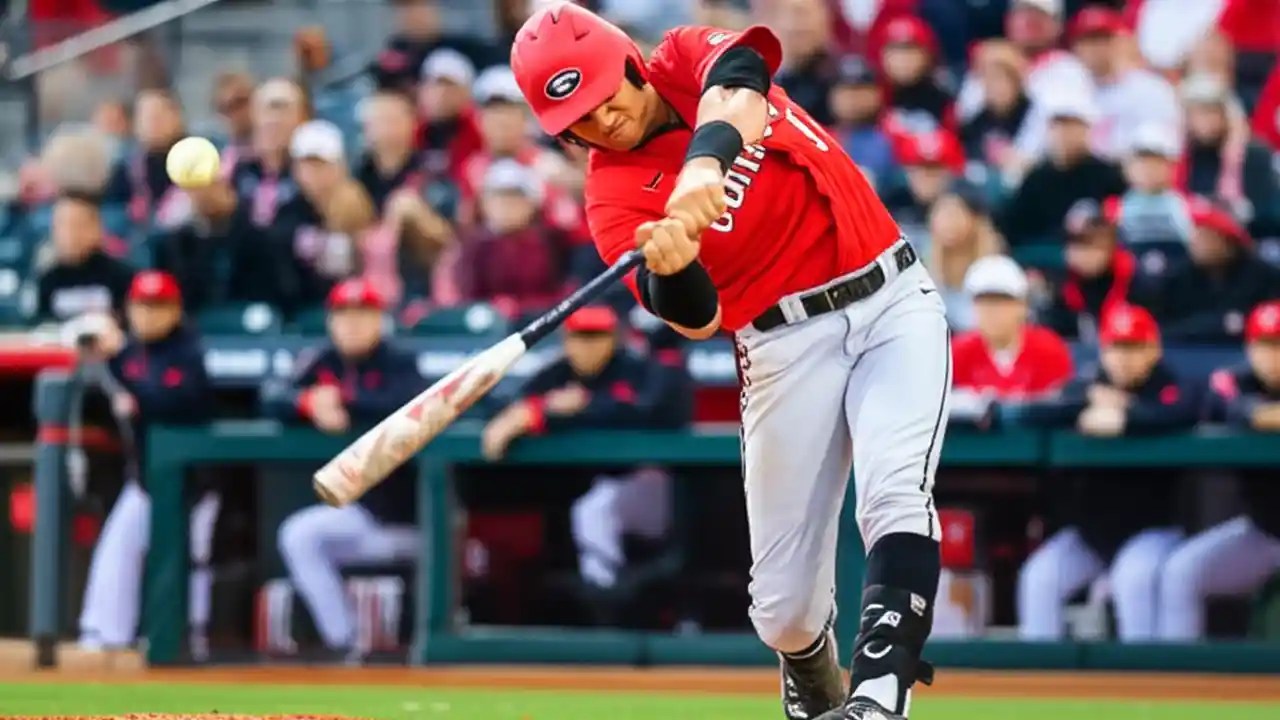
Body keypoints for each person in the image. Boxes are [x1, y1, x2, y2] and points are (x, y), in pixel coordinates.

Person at [511, 7, 951, 719]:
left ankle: (879, 695)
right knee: (781, 609)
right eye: (579, 119)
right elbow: (695, 316)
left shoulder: (683, 56)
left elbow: (742, 80)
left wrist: (703, 164)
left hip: (891, 299)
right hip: (782, 346)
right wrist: (677, 264)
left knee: (895, 491)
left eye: (604, 96)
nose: (603, 121)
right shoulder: (612, 201)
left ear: (628, 64)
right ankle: (811, 672)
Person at [482, 305, 694, 600]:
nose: (588, 345)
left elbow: (645, 412)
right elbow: (507, 405)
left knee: (595, 509)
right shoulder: (558, 372)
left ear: (613, 338)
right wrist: (533, 411)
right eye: (581, 336)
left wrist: (561, 411)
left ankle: (604, 599)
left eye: (597, 336)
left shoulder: (634, 368)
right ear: (567, 339)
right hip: (581, 485)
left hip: (645, 484)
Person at [1016, 304, 1199, 641]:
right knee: (1040, 577)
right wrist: (1086, 404)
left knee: (1134, 578)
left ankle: (1147, 684)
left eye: (1133, 347)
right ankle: (1040, 688)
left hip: (1154, 530)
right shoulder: (1089, 386)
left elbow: (1184, 409)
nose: (1123, 358)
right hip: (1093, 535)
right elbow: (1032, 414)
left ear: (1153, 349)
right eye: (1116, 347)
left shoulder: (1170, 385)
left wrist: (1127, 415)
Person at [264, 278, 423, 659]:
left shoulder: (400, 362)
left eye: (363, 315)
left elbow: (405, 403)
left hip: (417, 522)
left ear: (379, 321)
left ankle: (434, 651)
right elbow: (270, 396)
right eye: (344, 316)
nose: (352, 324)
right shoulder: (321, 361)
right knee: (300, 535)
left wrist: (344, 402)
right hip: (363, 520)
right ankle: (346, 643)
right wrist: (308, 403)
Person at [77, 271, 217, 653]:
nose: (149, 315)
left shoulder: (188, 351)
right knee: (117, 553)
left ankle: (193, 635)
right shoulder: (131, 352)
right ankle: (103, 636)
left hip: (192, 486)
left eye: (158, 306)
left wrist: (120, 359)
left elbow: (174, 401)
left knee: (191, 561)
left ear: (174, 310)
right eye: (142, 306)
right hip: (145, 481)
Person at [1151, 300, 1280, 640]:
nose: (1274, 355)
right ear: (1250, 347)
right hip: (1266, 532)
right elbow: (1239, 411)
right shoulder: (1232, 379)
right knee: (1182, 573)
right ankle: (1178, 686)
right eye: (1266, 344)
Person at [1135, 196, 1280, 344]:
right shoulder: (1177, 277)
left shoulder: (1262, 276)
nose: (1198, 243)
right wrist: (1218, 324)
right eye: (1197, 234)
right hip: (1186, 353)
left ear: (1230, 244)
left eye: (1208, 237)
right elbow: (1161, 327)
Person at [949, 256, 1073, 425]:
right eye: (984, 303)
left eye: (1001, 303)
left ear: (1022, 306)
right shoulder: (957, 352)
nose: (992, 312)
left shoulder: (1050, 349)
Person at [999, 91, 1126, 245]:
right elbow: (1014, 226)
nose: (1063, 133)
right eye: (1057, 126)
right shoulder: (1037, 177)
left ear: (1086, 130)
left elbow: (1117, 219)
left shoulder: (1107, 175)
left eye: (1071, 126)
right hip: (1043, 255)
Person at [448, 159, 569, 319]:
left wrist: (523, 308)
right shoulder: (474, 244)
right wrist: (495, 307)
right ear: (485, 204)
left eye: (515, 199)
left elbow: (563, 290)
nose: (506, 207)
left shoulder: (551, 241)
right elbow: (464, 296)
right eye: (499, 199)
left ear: (531, 205)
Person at [1067, 5, 1179, 160]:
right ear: (1076, 48)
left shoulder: (1151, 89)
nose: (1096, 49)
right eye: (1088, 41)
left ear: (1119, 42)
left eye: (1103, 40)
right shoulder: (1067, 92)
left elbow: (1165, 146)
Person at [1179, 73, 1280, 238]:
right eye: (1198, 114)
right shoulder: (1187, 157)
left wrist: (1233, 212)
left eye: (1211, 112)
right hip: (1200, 239)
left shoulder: (1253, 153)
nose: (1206, 121)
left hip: (1250, 237)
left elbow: (1268, 211)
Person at [1038, 198, 1139, 343]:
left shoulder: (1133, 279)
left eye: (1094, 246)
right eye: (1078, 245)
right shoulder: (1059, 284)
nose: (1086, 255)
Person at [31, 193, 135, 325]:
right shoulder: (47, 280)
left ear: (97, 228)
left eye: (78, 225)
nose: (70, 234)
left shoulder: (122, 277)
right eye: (62, 225)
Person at [924, 187, 1004, 331]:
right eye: (941, 214)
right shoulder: (920, 260)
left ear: (975, 219)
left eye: (954, 214)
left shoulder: (995, 266)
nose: (946, 222)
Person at [827, 56, 900, 195]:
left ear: (877, 94)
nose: (853, 98)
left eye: (861, 90)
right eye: (846, 90)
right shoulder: (815, 135)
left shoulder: (896, 135)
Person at [878, 16, 955, 139]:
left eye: (911, 51)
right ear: (882, 56)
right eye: (896, 52)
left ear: (928, 56)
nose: (903, 60)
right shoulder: (872, 97)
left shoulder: (942, 100)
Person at [416, 48, 484, 181]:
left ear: (467, 92)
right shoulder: (411, 131)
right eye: (435, 86)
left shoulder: (480, 132)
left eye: (450, 87)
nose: (441, 94)